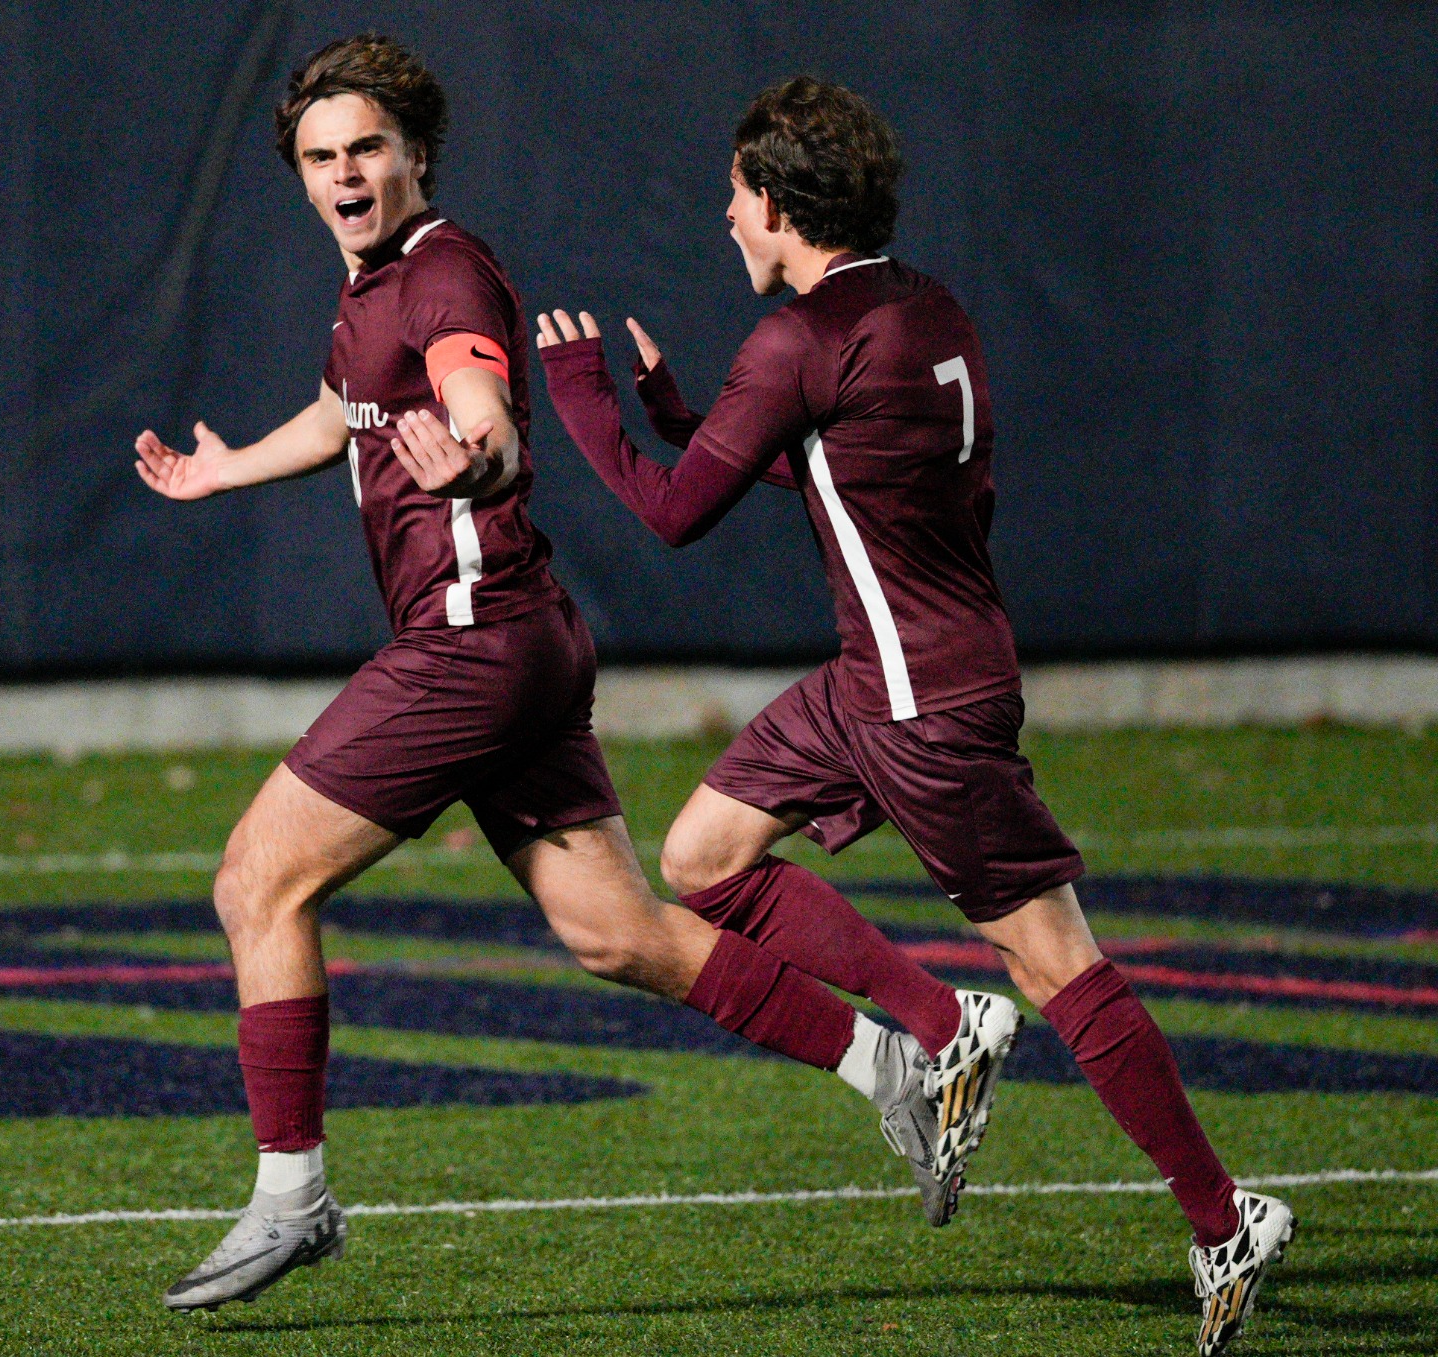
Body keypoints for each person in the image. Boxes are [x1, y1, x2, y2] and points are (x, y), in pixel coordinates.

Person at [135, 38, 1014, 1314]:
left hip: (468, 644)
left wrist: (479, 459)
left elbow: (473, 403)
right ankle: (900, 1064)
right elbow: (347, 408)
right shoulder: (369, 287)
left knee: (254, 883)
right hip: (524, 641)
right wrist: (225, 469)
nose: (344, 172)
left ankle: (292, 1197)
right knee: (616, 933)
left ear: (415, 154)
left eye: (367, 147)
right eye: (322, 156)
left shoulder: (439, 274)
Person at [534, 75, 1293, 1357]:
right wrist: (686, 419)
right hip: (894, 674)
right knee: (700, 856)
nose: (723, 216)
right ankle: (943, 1029)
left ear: (776, 203)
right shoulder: (922, 305)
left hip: (915, 702)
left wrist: (586, 404)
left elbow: (670, 514)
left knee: (1056, 961)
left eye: (733, 194)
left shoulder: (794, 341)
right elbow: (846, 458)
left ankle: (1222, 1216)